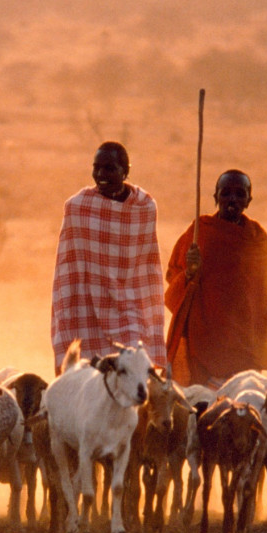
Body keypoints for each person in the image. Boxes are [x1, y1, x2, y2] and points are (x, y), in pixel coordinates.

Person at [164, 169, 267, 387]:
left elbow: (265, 293)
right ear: (215, 198)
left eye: (240, 194)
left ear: (249, 200)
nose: (232, 200)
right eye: (226, 193)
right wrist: (190, 272)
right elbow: (174, 276)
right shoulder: (200, 232)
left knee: (246, 395)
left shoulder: (257, 239)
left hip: (245, 337)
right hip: (205, 336)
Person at [50, 141, 166, 373]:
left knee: (135, 367)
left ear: (126, 171)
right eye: (97, 168)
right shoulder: (78, 207)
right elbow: (67, 268)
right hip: (87, 307)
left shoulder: (144, 208)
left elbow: (147, 267)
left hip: (131, 305)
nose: (101, 175)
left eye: (110, 168)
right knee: (90, 375)